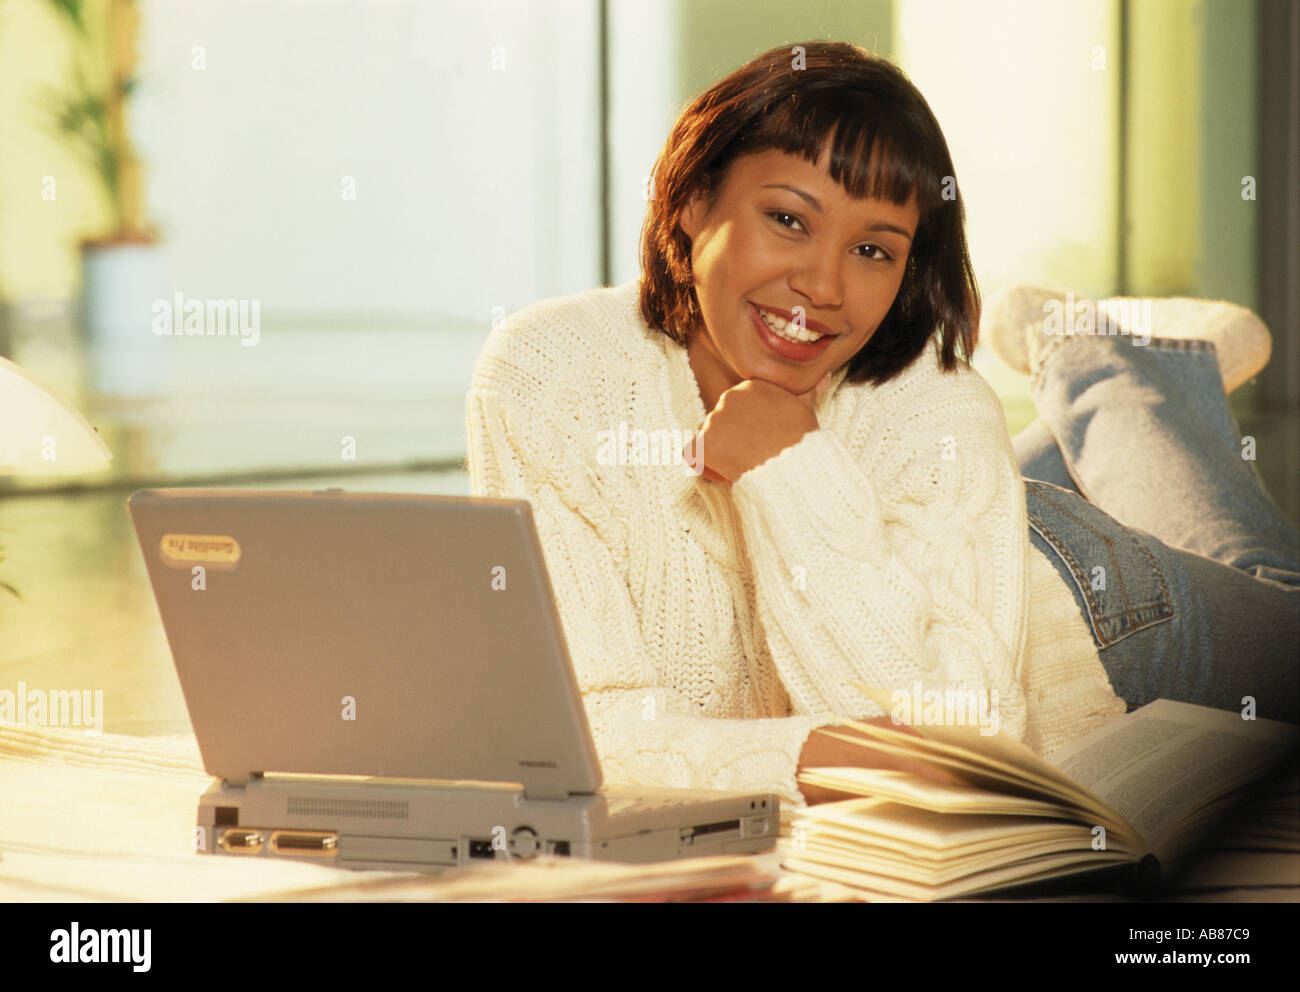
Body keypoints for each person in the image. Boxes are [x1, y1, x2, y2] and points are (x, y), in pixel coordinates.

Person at [464, 41, 1299, 823]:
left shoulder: (925, 393)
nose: (823, 286)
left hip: (1069, 598)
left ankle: (1109, 367)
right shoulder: (549, 374)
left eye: (873, 248)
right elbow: (579, 728)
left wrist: (786, 464)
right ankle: (1114, 369)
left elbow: (964, 738)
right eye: (788, 219)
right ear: (689, 200)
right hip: (933, 530)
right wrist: (818, 757)